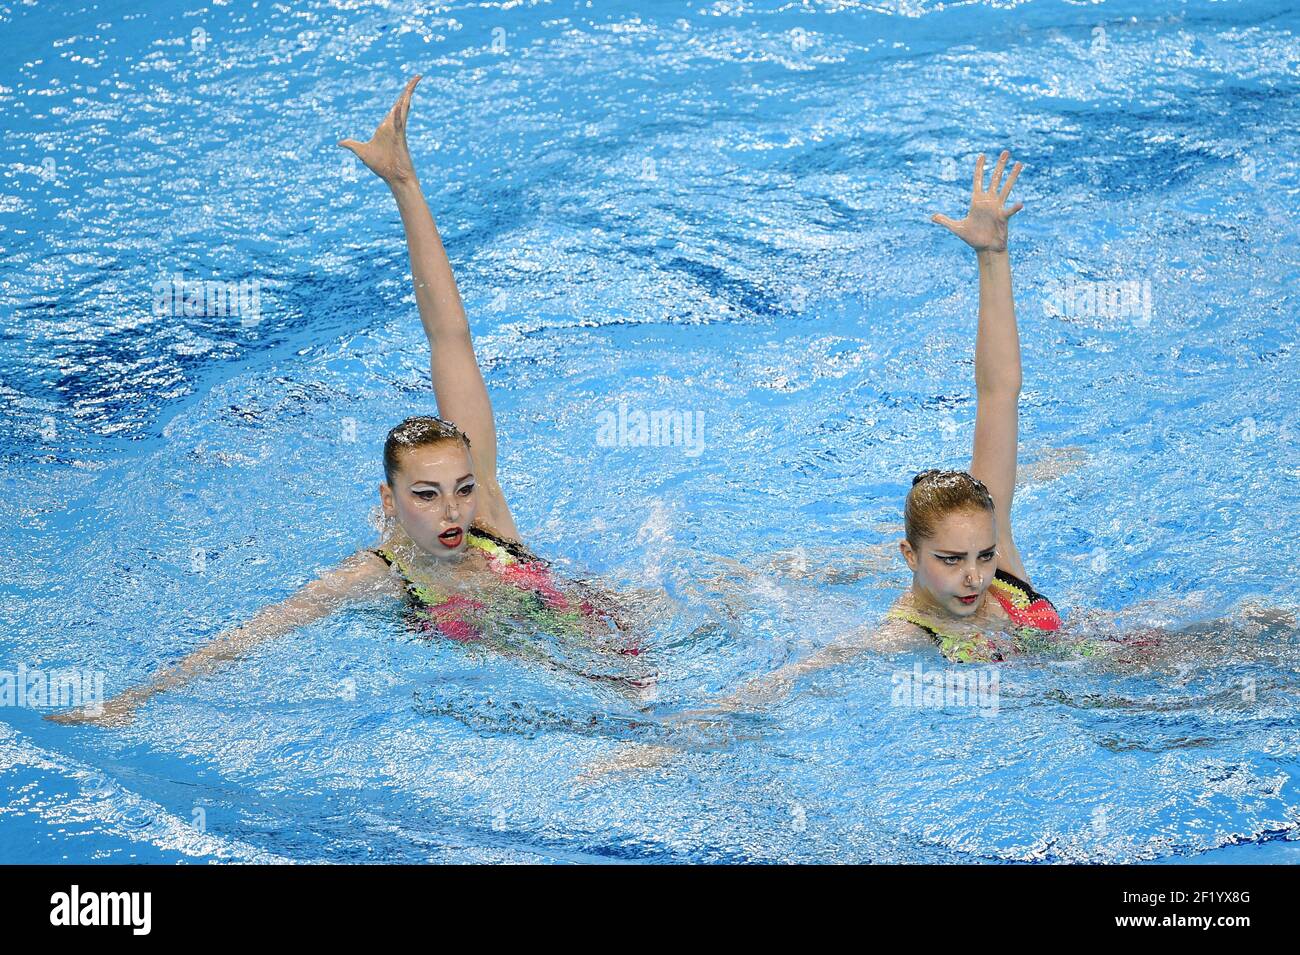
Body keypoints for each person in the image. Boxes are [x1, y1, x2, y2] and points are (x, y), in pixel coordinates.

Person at [48, 77, 651, 728]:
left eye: (461, 486)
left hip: (633, 650)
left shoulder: (490, 521)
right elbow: (250, 637)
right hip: (577, 709)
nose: (452, 508)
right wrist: (136, 699)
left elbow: (449, 335)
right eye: (426, 494)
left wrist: (406, 187)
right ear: (389, 501)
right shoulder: (378, 575)